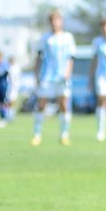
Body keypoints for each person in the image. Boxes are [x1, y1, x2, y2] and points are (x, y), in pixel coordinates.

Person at [31, 10, 76, 146]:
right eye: (52, 21)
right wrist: (36, 74)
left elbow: (70, 58)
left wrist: (68, 73)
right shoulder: (45, 38)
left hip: (62, 77)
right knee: (41, 103)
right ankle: (37, 134)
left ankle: (64, 134)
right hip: (47, 76)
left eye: (57, 20)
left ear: (61, 22)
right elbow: (39, 58)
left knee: (63, 104)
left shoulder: (68, 38)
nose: (54, 23)